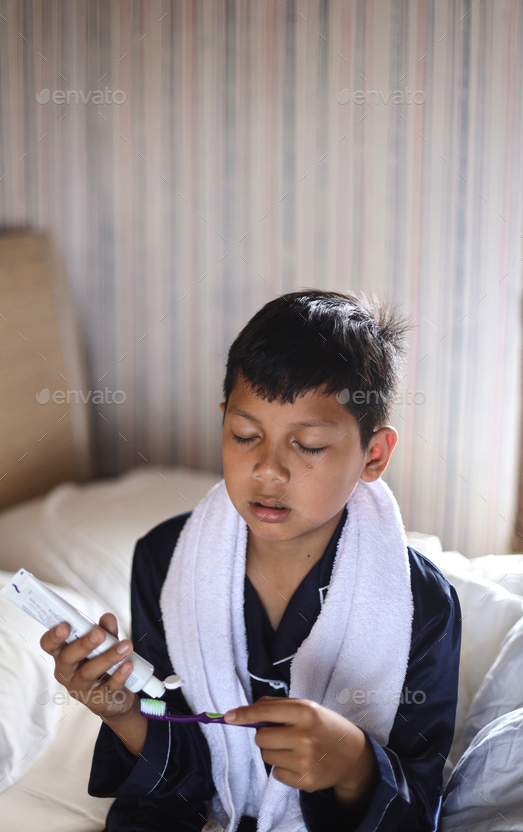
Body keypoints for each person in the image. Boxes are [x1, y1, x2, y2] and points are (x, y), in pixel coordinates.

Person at [40, 290, 461, 832]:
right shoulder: (166, 562)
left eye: (307, 444)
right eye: (245, 435)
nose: (268, 470)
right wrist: (122, 712)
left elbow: (418, 806)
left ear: (373, 455)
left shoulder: (420, 605)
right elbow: (182, 756)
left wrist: (354, 765)